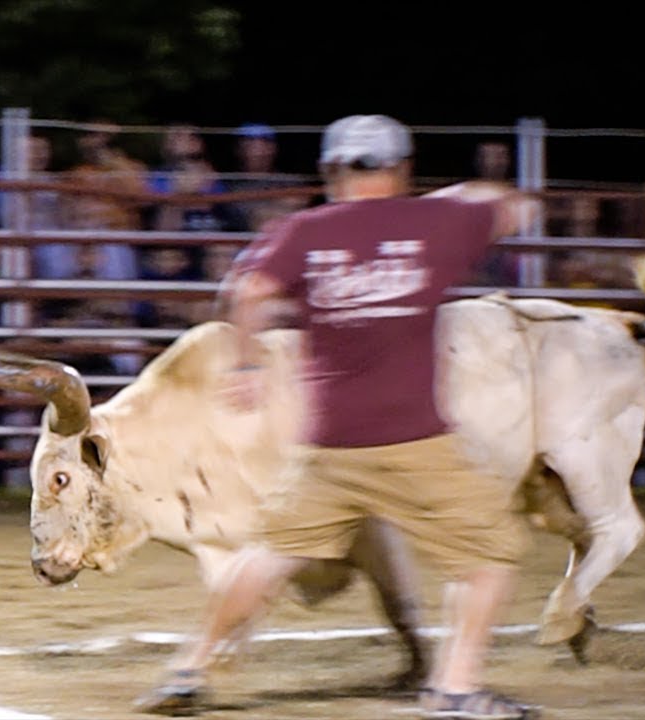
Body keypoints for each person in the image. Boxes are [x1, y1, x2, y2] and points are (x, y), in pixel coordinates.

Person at [135, 115, 542, 719]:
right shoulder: (437, 220)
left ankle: (190, 669)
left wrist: (246, 365)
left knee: (270, 554)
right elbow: (518, 207)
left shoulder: (305, 230)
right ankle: (454, 688)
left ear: (331, 170)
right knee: (490, 554)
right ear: (401, 167)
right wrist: (451, 196)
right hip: (413, 438)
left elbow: (248, 291)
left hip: (329, 441)